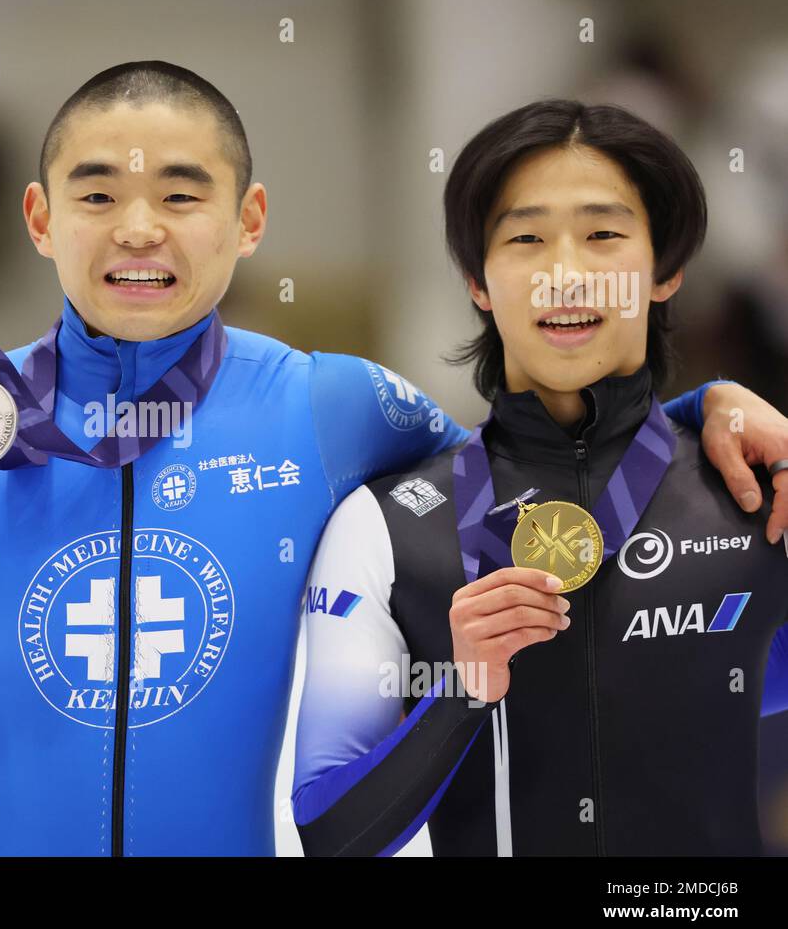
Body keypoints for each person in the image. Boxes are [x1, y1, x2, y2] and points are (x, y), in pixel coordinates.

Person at [0, 65, 786, 856]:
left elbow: (544, 462)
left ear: (248, 222)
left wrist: (699, 415)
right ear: (41, 220)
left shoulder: (332, 406)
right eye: (97, 195)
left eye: (182, 195)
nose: (139, 229)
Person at [292, 99, 788, 857]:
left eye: (603, 235)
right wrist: (460, 690)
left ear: (666, 271)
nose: (565, 274)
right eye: (526, 238)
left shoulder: (758, 495)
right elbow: (331, 835)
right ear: (478, 281)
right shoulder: (387, 527)